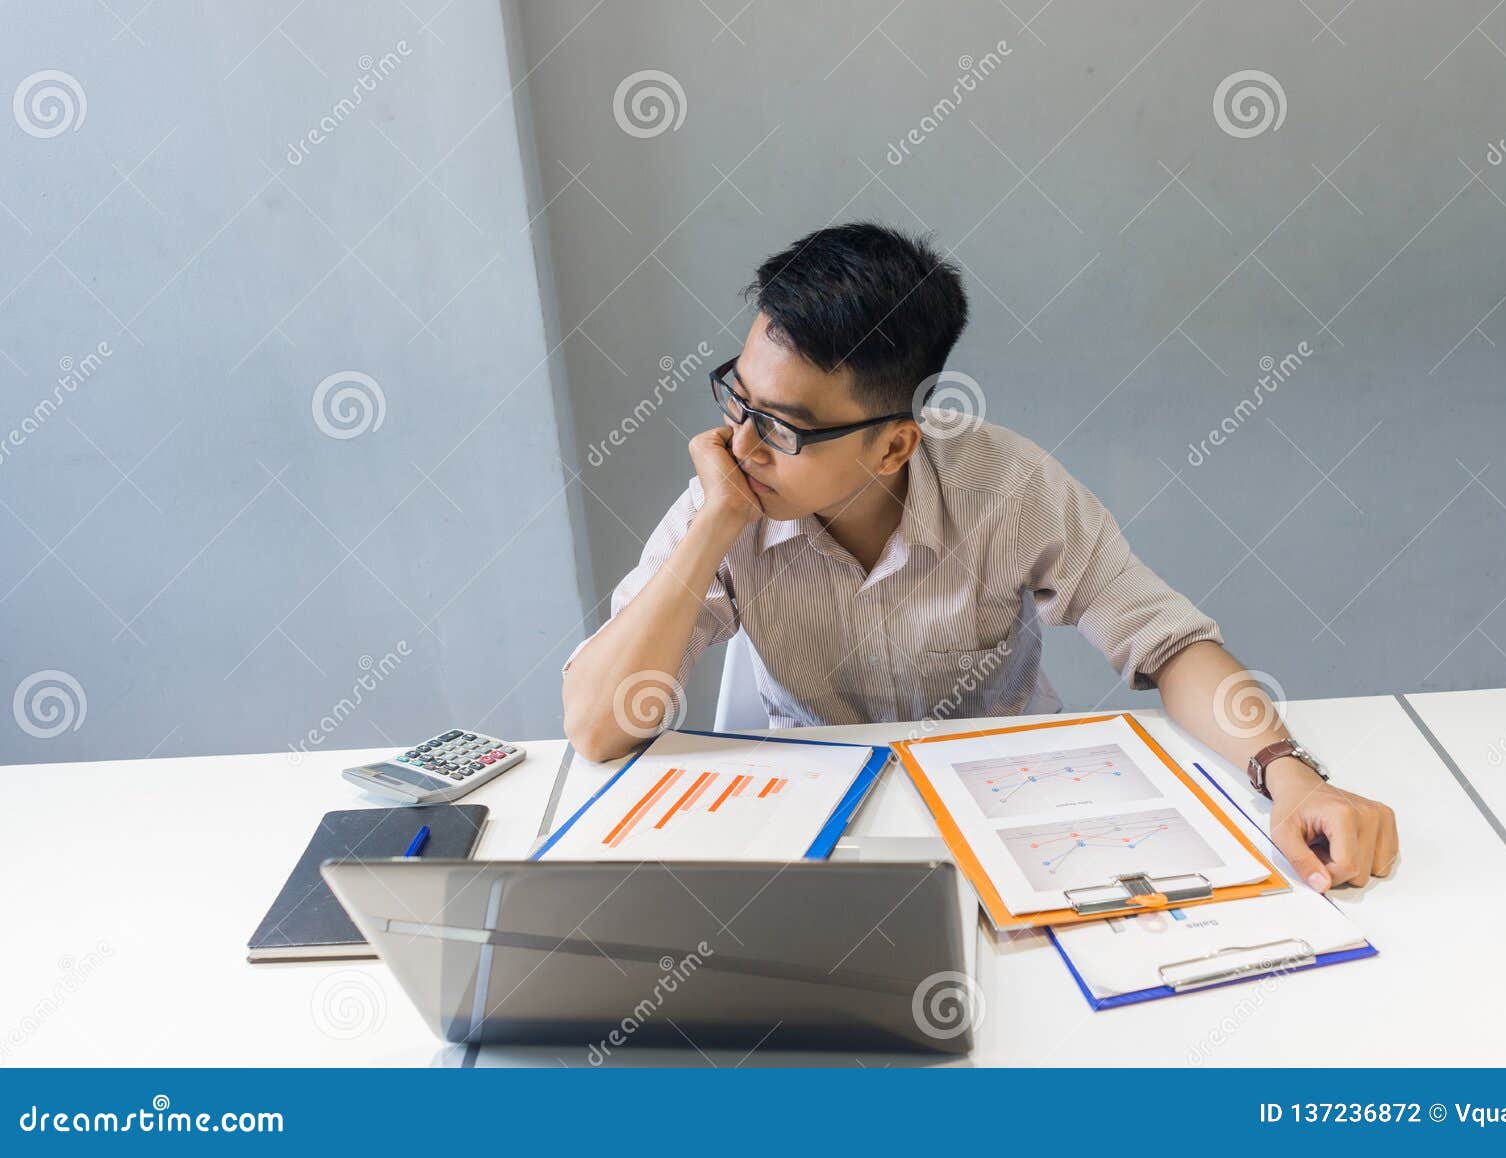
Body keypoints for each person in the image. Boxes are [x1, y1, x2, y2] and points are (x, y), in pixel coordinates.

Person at [562, 222, 1398, 893]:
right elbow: (598, 728)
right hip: (823, 833)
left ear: (894, 447)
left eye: (783, 425)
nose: (739, 442)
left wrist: (1289, 773)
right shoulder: (729, 490)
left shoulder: (1007, 487)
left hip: (1018, 811)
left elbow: (1169, 642)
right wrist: (712, 529)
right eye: (736, 395)